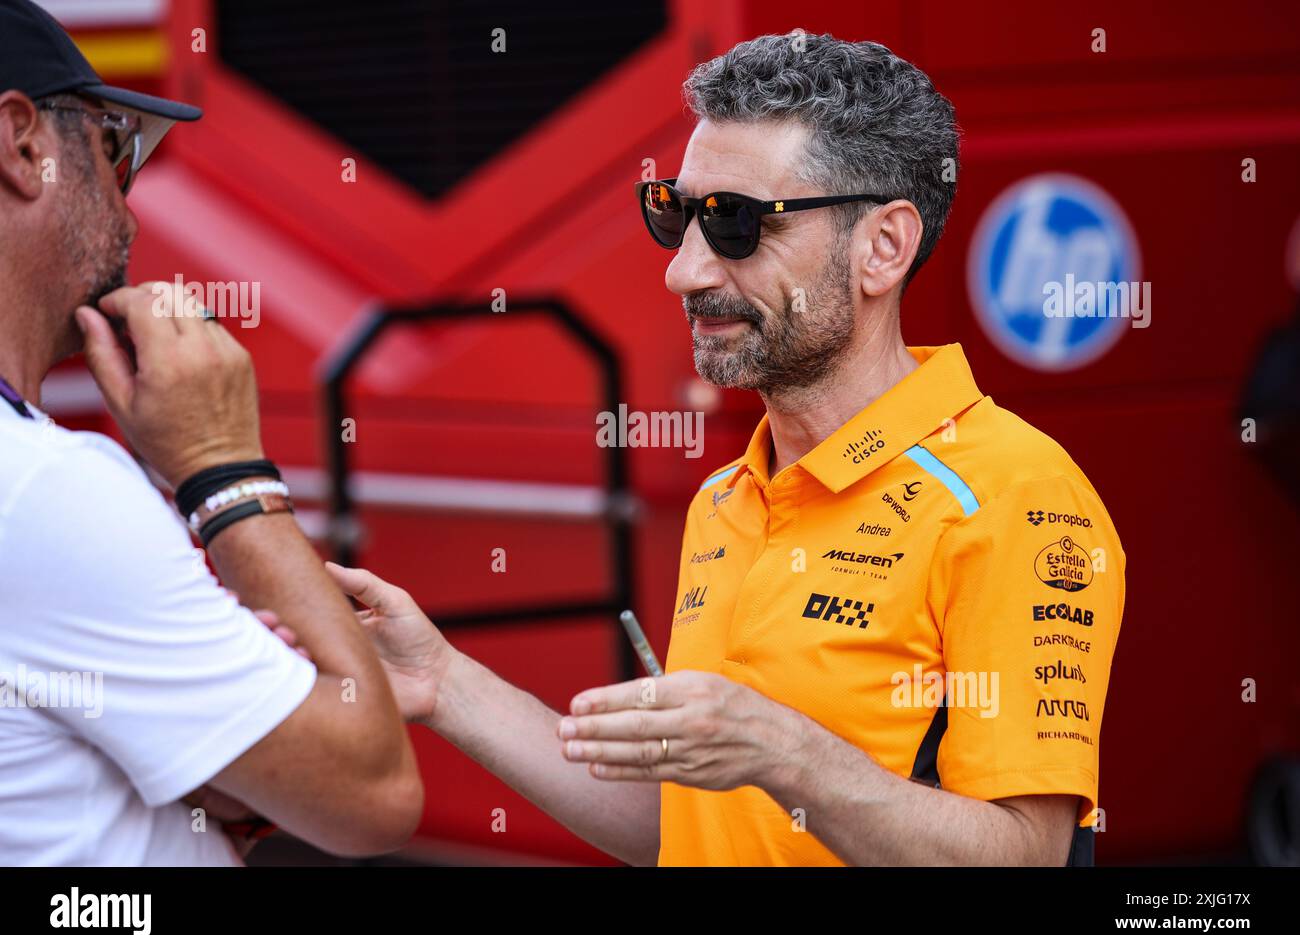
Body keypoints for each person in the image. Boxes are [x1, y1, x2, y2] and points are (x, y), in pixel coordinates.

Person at [328, 33, 1125, 866]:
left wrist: (785, 753)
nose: (684, 270)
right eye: (675, 213)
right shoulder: (728, 496)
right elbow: (692, 826)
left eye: (736, 223)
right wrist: (446, 683)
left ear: (883, 248)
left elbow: (1028, 853)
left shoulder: (1011, 495)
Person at [0, 0, 422, 865]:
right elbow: (374, 791)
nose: (132, 211)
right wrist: (223, 466)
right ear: (24, 144)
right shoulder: (45, 488)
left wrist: (222, 765)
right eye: (115, 146)